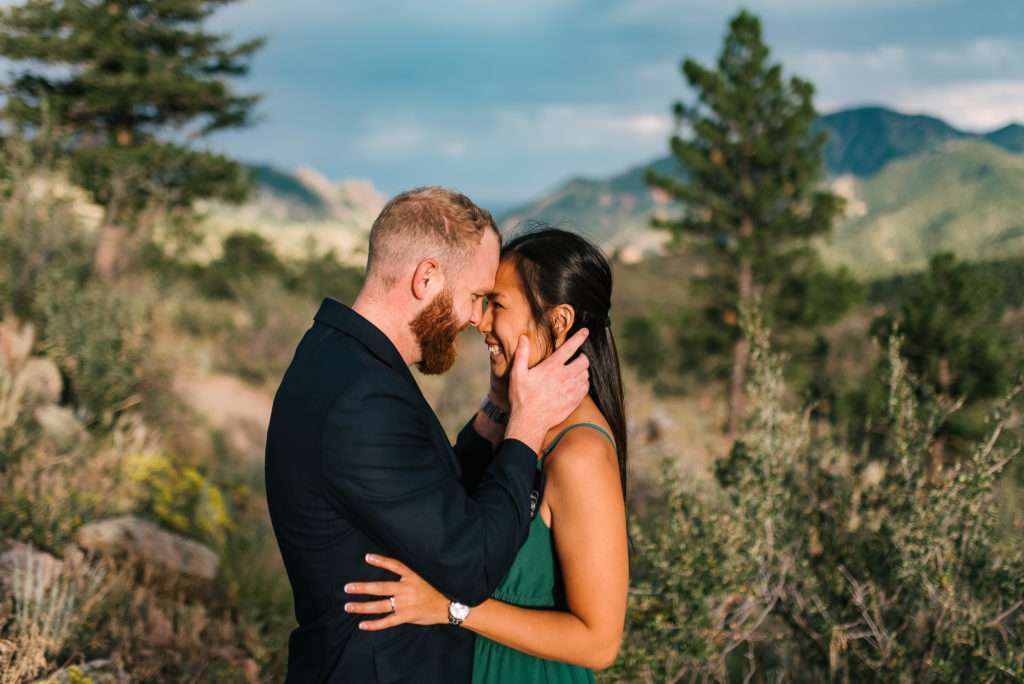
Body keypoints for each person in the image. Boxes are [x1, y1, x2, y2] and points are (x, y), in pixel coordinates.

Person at [265, 190, 592, 684]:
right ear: (426, 278)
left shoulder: (335, 356)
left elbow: (422, 496)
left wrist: (496, 413)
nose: (476, 319)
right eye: (476, 296)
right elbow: (472, 565)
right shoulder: (363, 398)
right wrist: (526, 425)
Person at [344, 227, 630, 682]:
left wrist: (451, 608)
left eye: (497, 304)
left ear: (558, 321)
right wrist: (500, 407)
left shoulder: (580, 454)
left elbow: (599, 642)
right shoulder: (520, 427)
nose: (480, 322)